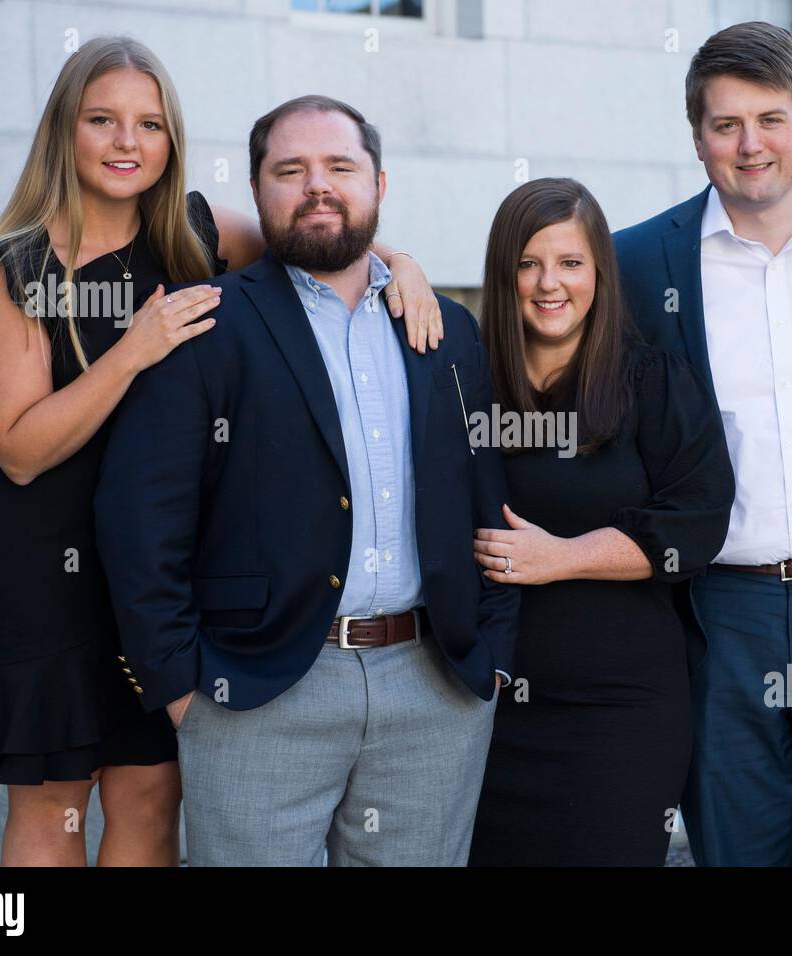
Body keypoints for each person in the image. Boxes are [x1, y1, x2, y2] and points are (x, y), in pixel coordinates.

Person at [0, 37, 442, 867]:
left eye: (150, 124)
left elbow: (320, 235)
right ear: (66, 131)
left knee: (152, 788)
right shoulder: (12, 268)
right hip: (41, 568)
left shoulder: (201, 236)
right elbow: (21, 451)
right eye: (103, 120)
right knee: (57, 799)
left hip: (162, 566)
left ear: (172, 141)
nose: (128, 142)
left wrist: (405, 266)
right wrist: (132, 349)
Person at [94, 95, 519, 866]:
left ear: (379, 186)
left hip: (434, 687)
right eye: (290, 170)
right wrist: (182, 690)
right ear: (259, 193)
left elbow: (484, 498)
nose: (317, 186)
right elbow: (139, 517)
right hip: (256, 690)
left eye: (340, 167)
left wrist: (490, 655)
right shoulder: (206, 326)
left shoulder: (446, 330)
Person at [612, 21, 792, 866]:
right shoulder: (636, 263)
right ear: (697, 137)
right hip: (716, 614)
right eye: (725, 124)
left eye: (771, 119)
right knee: (735, 848)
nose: (750, 146)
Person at [465, 178, 733, 866]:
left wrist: (562, 556)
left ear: (599, 274)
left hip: (622, 712)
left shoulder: (652, 383)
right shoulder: (465, 386)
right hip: (484, 712)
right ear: (503, 275)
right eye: (528, 263)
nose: (549, 283)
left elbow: (697, 520)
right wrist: (401, 268)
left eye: (570, 263)